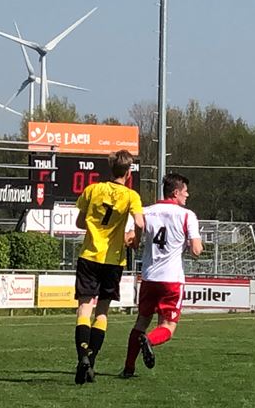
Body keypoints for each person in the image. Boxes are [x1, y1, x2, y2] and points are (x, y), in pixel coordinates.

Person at [72, 150, 148, 385]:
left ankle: (82, 356)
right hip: (113, 260)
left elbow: (79, 222)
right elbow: (139, 222)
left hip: (89, 256)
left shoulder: (92, 190)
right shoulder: (131, 195)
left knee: (84, 309)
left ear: (111, 169)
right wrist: (135, 239)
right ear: (128, 172)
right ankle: (91, 362)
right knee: (102, 312)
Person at [122, 173, 204, 378]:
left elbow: (130, 239)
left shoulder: (146, 212)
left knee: (141, 322)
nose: (188, 195)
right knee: (167, 326)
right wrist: (190, 244)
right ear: (175, 193)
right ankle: (149, 340)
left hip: (149, 277)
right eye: (185, 192)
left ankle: (128, 367)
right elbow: (196, 249)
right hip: (172, 280)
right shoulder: (187, 215)